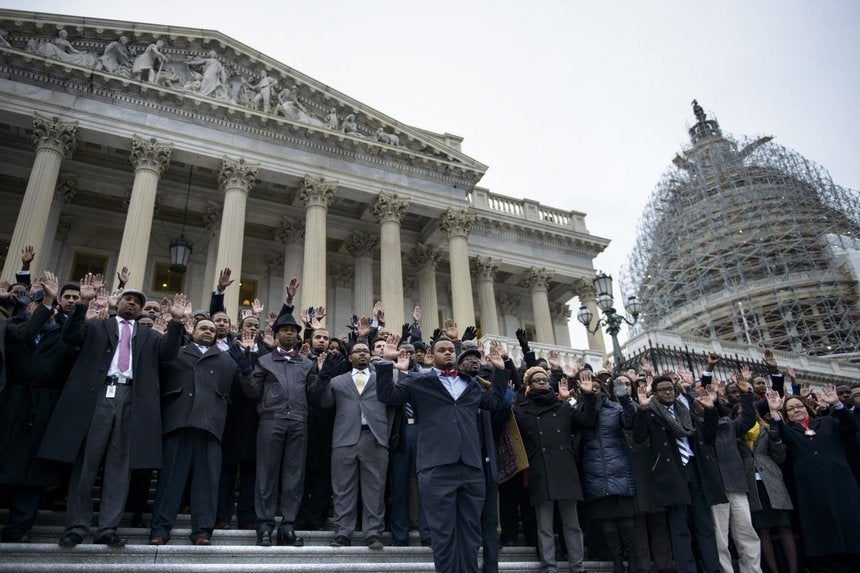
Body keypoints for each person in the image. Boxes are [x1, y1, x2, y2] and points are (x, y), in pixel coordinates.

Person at [38, 278, 187, 548]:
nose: (132, 303)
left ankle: (108, 527)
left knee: (119, 468)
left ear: (141, 310)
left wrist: (176, 323)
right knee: (86, 465)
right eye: (128, 299)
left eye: (138, 302)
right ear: (117, 303)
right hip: (98, 399)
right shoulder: (96, 326)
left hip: (132, 399)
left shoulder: (151, 336)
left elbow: (169, 354)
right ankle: (76, 526)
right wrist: (82, 303)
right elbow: (70, 336)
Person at [377, 335, 507, 573]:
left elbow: (496, 402)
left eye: (451, 350)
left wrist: (500, 371)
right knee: (443, 534)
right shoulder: (418, 381)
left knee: (470, 534)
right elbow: (387, 396)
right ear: (432, 354)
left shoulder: (472, 383)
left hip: (471, 468)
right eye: (442, 350)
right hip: (436, 468)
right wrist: (386, 363)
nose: (448, 353)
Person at [148, 319, 251, 546]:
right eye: (203, 328)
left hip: (210, 427)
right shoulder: (179, 352)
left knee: (207, 484)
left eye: (212, 330)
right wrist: (175, 323)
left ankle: (203, 531)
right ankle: (160, 530)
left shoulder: (227, 359)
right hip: (179, 423)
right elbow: (162, 356)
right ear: (192, 331)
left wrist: (247, 362)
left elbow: (249, 391)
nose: (208, 332)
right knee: (169, 483)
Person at [240, 303, 323, 548]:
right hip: (271, 421)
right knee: (266, 474)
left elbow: (314, 396)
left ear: (297, 336)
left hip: (299, 422)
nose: (289, 333)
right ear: (276, 335)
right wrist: (245, 370)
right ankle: (264, 525)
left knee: (294, 476)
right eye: (284, 329)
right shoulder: (264, 361)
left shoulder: (307, 364)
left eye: (293, 330)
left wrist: (324, 375)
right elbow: (252, 392)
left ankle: (288, 526)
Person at [633, 376, 724, 573]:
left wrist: (710, 411)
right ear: (654, 394)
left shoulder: (686, 412)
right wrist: (641, 410)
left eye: (671, 389)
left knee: (705, 525)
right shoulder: (651, 414)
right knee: (680, 527)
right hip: (672, 473)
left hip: (695, 469)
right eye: (663, 389)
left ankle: (712, 569)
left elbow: (709, 437)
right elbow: (638, 438)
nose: (668, 392)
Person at [0, 272, 65, 543]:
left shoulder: (61, 336)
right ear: (28, 307)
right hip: (11, 401)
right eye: (37, 303)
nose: (44, 308)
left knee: (33, 470)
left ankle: (19, 526)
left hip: (43, 406)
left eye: (48, 306)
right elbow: (23, 331)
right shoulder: (11, 326)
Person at [767, 387, 860, 572]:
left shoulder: (827, 422)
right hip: (811, 489)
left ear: (806, 407)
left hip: (841, 484)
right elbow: (777, 437)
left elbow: (851, 427)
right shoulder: (789, 430)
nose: (796, 410)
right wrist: (774, 412)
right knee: (821, 531)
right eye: (791, 409)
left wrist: (837, 404)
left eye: (799, 406)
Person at [515, 366, 597, 573]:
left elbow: (587, 420)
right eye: (537, 380)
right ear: (528, 385)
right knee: (544, 525)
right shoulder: (521, 410)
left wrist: (587, 396)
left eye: (545, 379)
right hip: (539, 469)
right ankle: (549, 566)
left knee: (572, 523)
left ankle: (577, 566)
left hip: (565, 468)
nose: (542, 382)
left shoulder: (563, 407)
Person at [317, 342, 389, 549]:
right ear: (350, 358)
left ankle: (373, 534)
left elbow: (395, 400)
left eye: (365, 351)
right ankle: (342, 533)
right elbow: (324, 404)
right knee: (342, 488)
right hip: (343, 439)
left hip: (374, 437)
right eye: (357, 351)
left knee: (375, 489)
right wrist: (322, 378)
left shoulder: (382, 378)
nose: (362, 354)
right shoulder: (337, 380)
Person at [580, 372, 637, 573]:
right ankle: (617, 562)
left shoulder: (615, 408)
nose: (592, 390)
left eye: (596, 387)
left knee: (626, 520)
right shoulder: (582, 412)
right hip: (595, 471)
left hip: (619, 469)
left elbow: (630, 422)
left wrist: (624, 398)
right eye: (588, 387)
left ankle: (632, 560)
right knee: (607, 521)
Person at [736, 391, 798, 573]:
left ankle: (794, 569)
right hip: (751, 486)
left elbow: (780, 457)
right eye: (740, 414)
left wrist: (775, 439)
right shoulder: (735, 435)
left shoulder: (766, 429)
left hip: (772, 482)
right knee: (762, 530)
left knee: (784, 527)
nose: (744, 416)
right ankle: (773, 570)